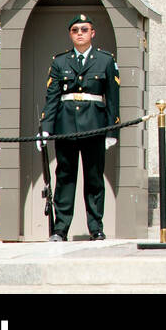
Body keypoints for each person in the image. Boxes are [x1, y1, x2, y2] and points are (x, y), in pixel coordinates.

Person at [38, 14, 120, 241]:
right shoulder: (60, 62)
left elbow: (112, 99)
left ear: (92, 33)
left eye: (84, 29)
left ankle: (96, 228)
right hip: (66, 126)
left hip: (94, 126)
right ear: (70, 34)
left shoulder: (105, 60)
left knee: (94, 179)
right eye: (75, 30)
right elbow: (52, 98)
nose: (80, 33)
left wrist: (111, 131)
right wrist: (46, 127)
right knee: (65, 178)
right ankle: (60, 229)